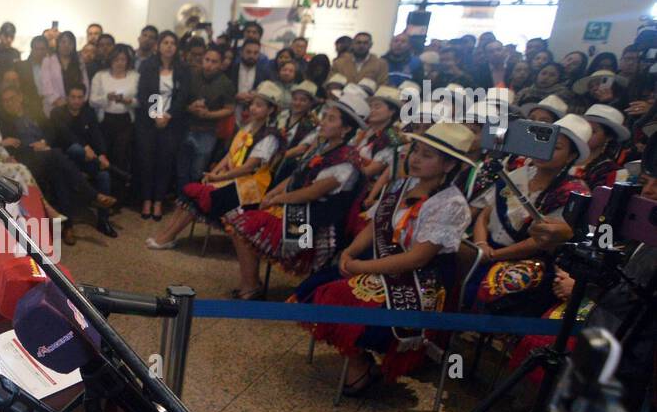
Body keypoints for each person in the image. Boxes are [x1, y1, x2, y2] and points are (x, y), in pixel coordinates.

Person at [299, 121, 476, 394]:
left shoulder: (451, 204)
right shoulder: (402, 186)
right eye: (416, 150)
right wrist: (350, 252)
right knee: (314, 287)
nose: (415, 158)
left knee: (338, 295)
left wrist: (362, 266)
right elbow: (374, 225)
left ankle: (360, 369)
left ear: (449, 166)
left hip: (422, 278)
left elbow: (418, 258)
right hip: (384, 262)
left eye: (427, 155)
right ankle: (361, 362)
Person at [229, 89, 369, 299]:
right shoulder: (322, 146)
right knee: (238, 219)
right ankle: (251, 282)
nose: (323, 122)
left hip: (313, 225)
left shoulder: (346, 162)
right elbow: (297, 176)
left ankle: (250, 287)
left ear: (346, 129)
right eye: (325, 117)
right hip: (297, 209)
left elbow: (311, 193)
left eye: (331, 119)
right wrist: (273, 193)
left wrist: (277, 200)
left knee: (242, 226)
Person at [468, 116, 593, 314]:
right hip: (485, 250)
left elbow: (540, 241)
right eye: (544, 143)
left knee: (498, 282)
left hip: (526, 259)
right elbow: (485, 214)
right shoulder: (517, 174)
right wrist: (481, 245)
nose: (545, 151)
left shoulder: (574, 192)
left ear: (570, 157)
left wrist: (495, 256)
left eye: (557, 147)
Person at [147, 80, 286, 250]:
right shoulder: (248, 127)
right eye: (253, 104)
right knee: (190, 193)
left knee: (200, 199)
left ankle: (168, 237)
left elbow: (249, 167)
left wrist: (220, 177)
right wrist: (215, 172)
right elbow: (230, 154)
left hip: (250, 187)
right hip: (233, 178)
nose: (253, 108)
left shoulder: (270, 136)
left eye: (259, 105)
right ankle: (165, 234)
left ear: (271, 110)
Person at [136, 30, 190, 221]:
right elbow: (143, 93)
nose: (169, 46)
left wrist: (168, 115)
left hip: (172, 123)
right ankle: (146, 200)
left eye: (172, 43)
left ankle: (158, 201)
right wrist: (156, 114)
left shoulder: (182, 68)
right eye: (165, 42)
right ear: (158, 46)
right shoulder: (147, 66)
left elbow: (183, 96)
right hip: (148, 122)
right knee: (147, 161)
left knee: (165, 163)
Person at [51, 84, 117, 238]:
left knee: (104, 176)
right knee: (75, 149)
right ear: (67, 97)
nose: (76, 101)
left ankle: (103, 220)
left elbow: (96, 134)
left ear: (84, 98)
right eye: (73, 97)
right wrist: (85, 147)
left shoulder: (88, 113)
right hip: (62, 159)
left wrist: (102, 154)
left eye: (80, 97)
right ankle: (68, 226)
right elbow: (64, 134)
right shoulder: (57, 113)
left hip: (85, 160)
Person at [179, 43, 237, 189]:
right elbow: (180, 100)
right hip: (187, 126)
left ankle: (192, 202)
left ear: (221, 64)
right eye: (207, 59)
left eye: (214, 61)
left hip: (208, 131)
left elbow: (229, 109)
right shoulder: (192, 75)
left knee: (197, 171)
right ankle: (180, 199)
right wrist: (190, 107)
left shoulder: (226, 83)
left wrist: (209, 114)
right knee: (181, 169)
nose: (209, 64)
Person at [89, 43, 139, 197]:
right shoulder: (100, 75)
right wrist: (107, 98)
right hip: (105, 121)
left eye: (123, 59)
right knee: (105, 156)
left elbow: (141, 101)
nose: (119, 63)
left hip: (125, 121)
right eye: (116, 59)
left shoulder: (135, 76)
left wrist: (128, 101)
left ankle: (119, 195)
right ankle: (104, 193)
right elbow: (92, 101)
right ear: (111, 60)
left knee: (121, 157)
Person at [41, 29, 89, 113]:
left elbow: (85, 83)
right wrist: (58, 101)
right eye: (63, 42)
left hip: (76, 106)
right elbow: (46, 85)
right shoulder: (48, 61)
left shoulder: (79, 62)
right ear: (58, 43)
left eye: (70, 43)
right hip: (55, 106)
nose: (66, 45)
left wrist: (79, 100)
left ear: (74, 46)